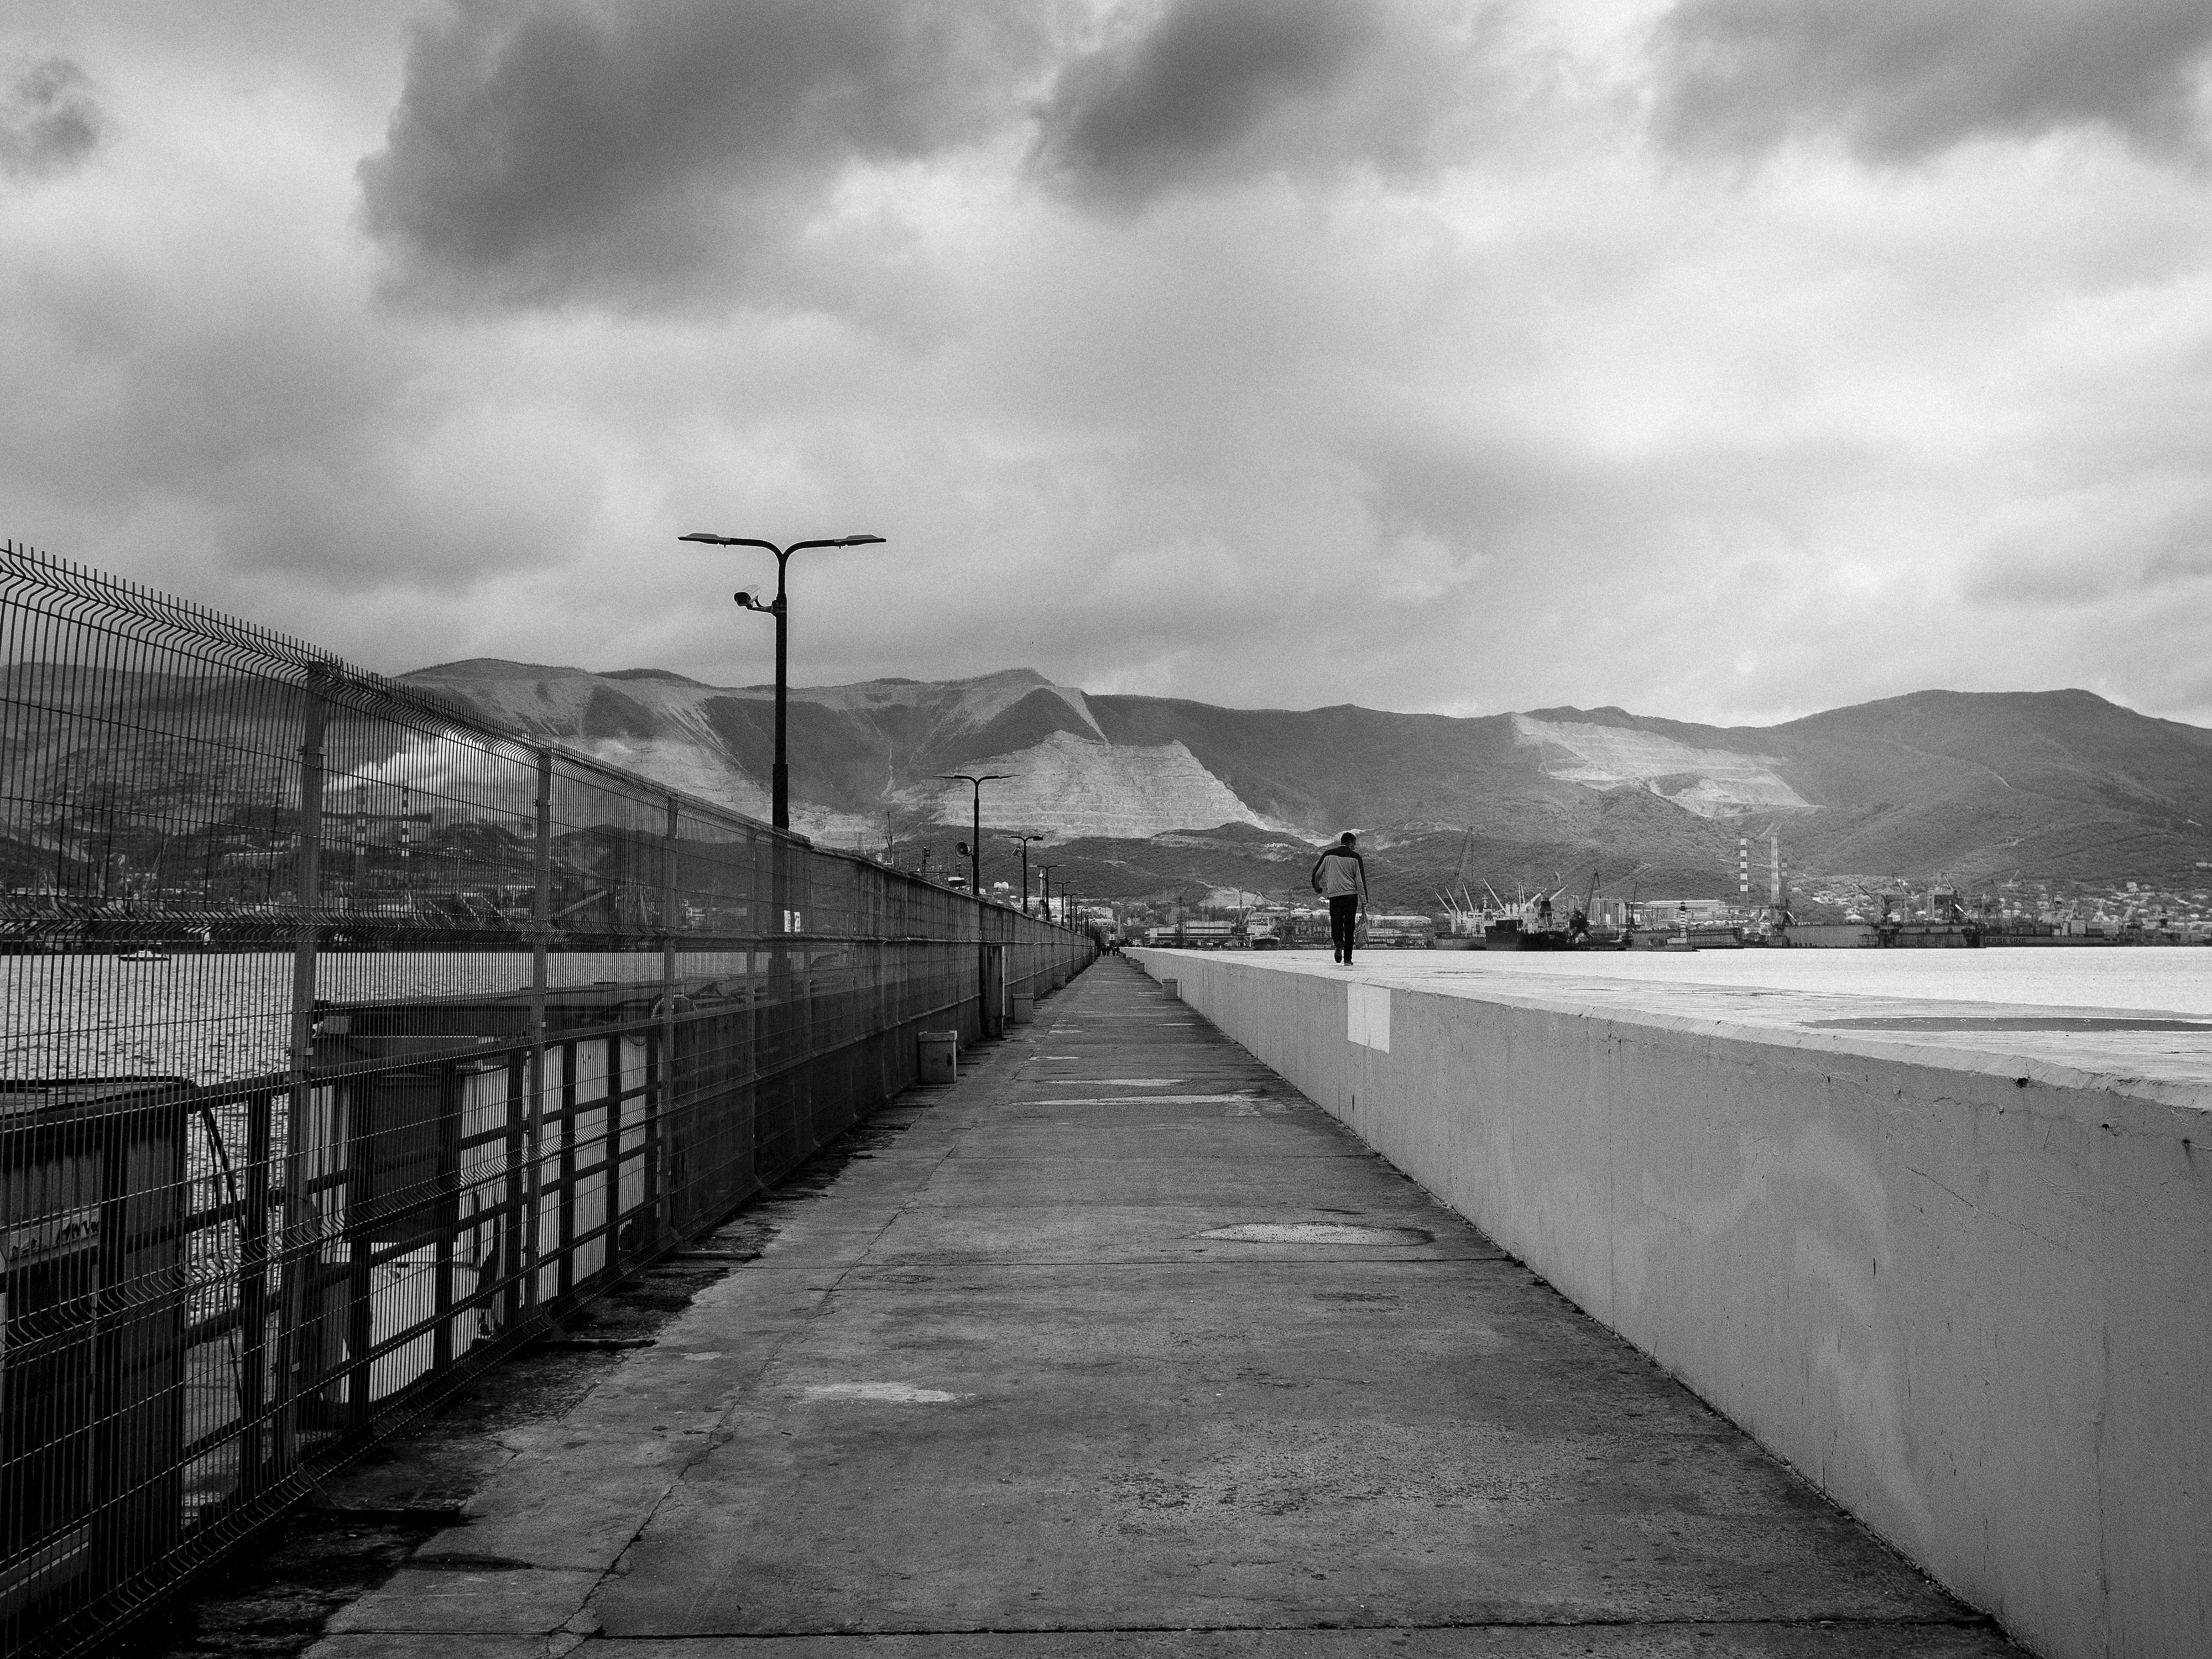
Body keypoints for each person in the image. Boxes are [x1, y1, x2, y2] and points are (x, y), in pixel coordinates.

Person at [1310, 832, 1369, 965]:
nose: (1355, 847)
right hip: (1350, 896)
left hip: (1335, 896)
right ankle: (1348, 959)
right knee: (1349, 927)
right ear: (1350, 842)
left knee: (1336, 923)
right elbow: (1360, 881)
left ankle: (1338, 943)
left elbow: (1317, 873)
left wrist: (1317, 888)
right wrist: (1364, 902)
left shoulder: (1328, 855)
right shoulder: (1355, 857)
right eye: (1354, 844)